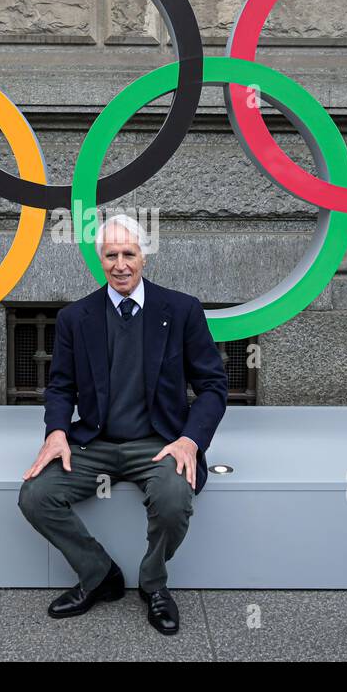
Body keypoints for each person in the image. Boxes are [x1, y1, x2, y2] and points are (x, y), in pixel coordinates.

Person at [18, 213, 228, 635]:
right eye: (110, 255)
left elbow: (212, 385)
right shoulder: (76, 318)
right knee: (35, 495)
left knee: (172, 499)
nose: (120, 264)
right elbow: (60, 387)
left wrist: (190, 440)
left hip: (160, 443)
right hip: (95, 442)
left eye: (128, 253)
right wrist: (57, 432)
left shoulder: (181, 310)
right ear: (100, 259)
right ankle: (99, 575)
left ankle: (153, 586)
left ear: (143, 257)